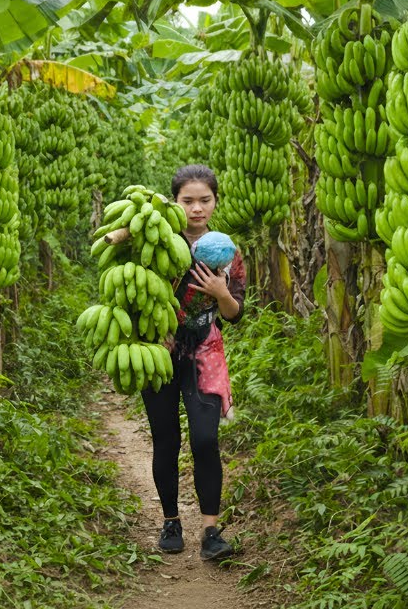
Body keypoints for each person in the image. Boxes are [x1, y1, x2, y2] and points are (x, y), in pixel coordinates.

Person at [142, 164, 245, 562]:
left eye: (205, 200)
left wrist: (220, 292)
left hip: (205, 350)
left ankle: (211, 530)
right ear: (175, 202)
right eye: (188, 201)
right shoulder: (158, 245)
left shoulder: (227, 251)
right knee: (166, 439)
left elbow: (236, 314)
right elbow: (132, 294)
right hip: (160, 351)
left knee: (206, 440)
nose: (197, 208)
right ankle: (171, 521)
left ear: (215, 203)